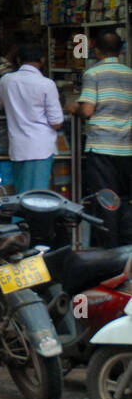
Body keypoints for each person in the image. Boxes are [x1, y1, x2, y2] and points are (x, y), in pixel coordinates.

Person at [78, 30, 132, 245]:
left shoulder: (94, 73)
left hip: (101, 147)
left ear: (96, 50)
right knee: (126, 198)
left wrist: (75, 107)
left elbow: (87, 111)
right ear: (121, 50)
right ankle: (126, 245)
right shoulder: (130, 74)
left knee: (106, 199)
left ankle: (108, 248)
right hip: (127, 147)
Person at [0, 42, 63, 192]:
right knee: (36, 195)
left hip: (18, 146)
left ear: (18, 60)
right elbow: (56, 122)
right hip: (41, 148)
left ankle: (21, 216)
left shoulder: (6, 80)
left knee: (21, 192)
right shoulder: (46, 84)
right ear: (43, 60)